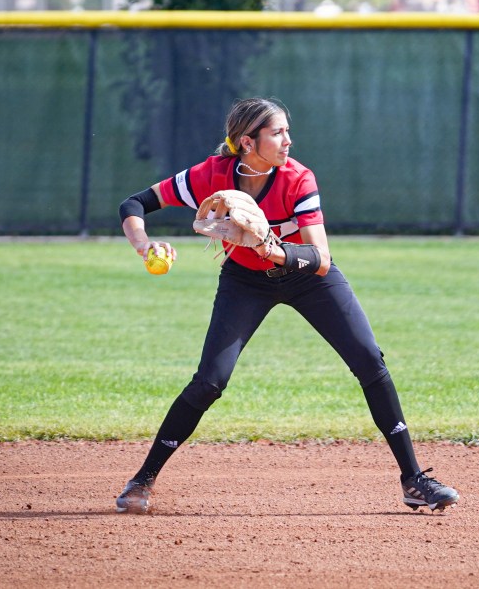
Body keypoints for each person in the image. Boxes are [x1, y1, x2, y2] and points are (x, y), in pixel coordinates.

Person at [115, 97, 460, 514]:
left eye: (286, 131)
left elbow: (321, 259)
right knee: (209, 381)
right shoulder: (212, 175)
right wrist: (144, 244)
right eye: (277, 133)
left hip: (307, 278)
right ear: (247, 142)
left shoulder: (297, 179)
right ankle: (142, 480)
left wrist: (268, 246)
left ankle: (415, 479)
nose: (288, 140)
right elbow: (134, 204)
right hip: (245, 282)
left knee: (370, 360)